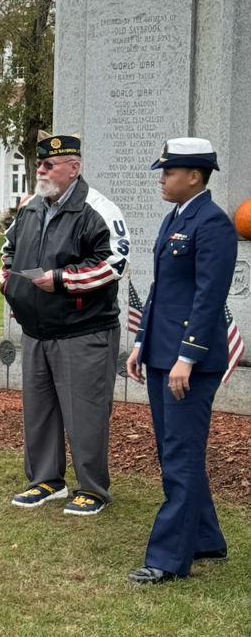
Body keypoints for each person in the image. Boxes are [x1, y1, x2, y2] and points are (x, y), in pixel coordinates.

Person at [0, 132, 129, 515]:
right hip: (36, 330)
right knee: (39, 412)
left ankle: (92, 489)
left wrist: (60, 279)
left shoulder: (99, 210)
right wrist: (8, 283)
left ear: (73, 168)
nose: (41, 170)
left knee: (85, 413)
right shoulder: (30, 207)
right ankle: (45, 482)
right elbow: (8, 250)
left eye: (49, 165)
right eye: (40, 164)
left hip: (83, 329)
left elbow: (113, 263)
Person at [126, 138, 236, 583]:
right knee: (174, 450)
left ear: (194, 176)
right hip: (160, 354)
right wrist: (141, 342)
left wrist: (186, 357)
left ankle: (169, 559)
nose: (162, 178)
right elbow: (162, 292)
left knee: (180, 454)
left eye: (169, 172)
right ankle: (206, 538)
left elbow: (209, 298)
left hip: (188, 361)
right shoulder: (176, 217)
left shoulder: (212, 223)